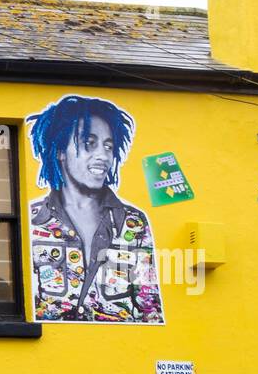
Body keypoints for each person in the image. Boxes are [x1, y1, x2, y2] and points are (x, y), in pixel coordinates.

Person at [26, 94, 163, 323]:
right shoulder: (33, 220)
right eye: (89, 144)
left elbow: (149, 307)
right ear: (60, 151)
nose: (102, 156)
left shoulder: (133, 223)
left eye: (108, 147)